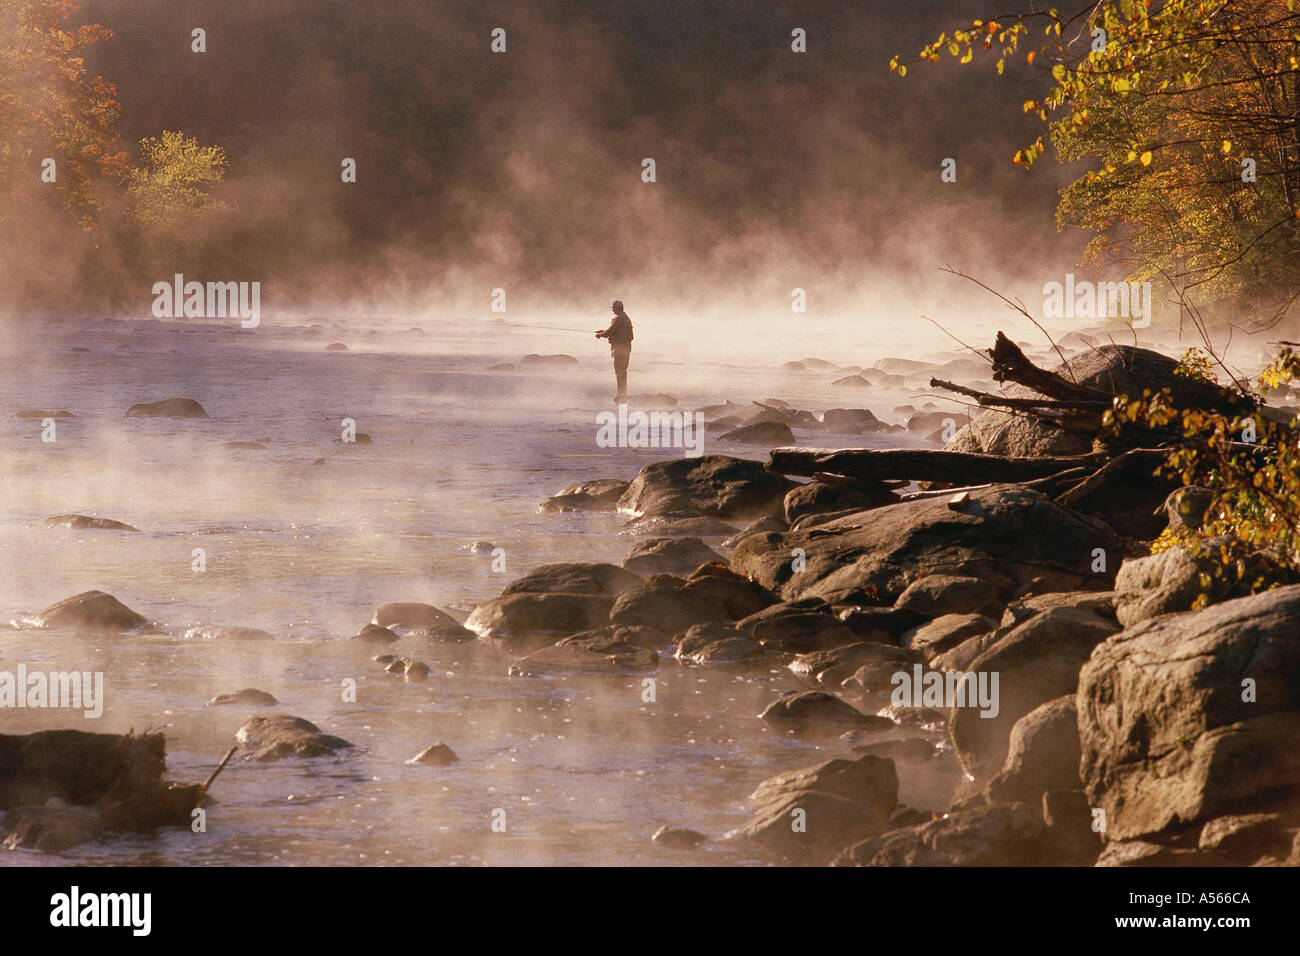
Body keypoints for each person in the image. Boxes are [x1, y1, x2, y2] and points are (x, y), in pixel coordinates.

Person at [595, 299, 634, 403]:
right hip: (624, 347)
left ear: (617, 309)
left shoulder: (620, 318)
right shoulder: (623, 317)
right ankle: (622, 393)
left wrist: (601, 334)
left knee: (619, 370)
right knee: (622, 371)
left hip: (620, 347)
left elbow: (612, 330)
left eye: (613, 309)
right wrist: (603, 331)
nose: (612, 311)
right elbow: (614, 329)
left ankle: (621, 394)